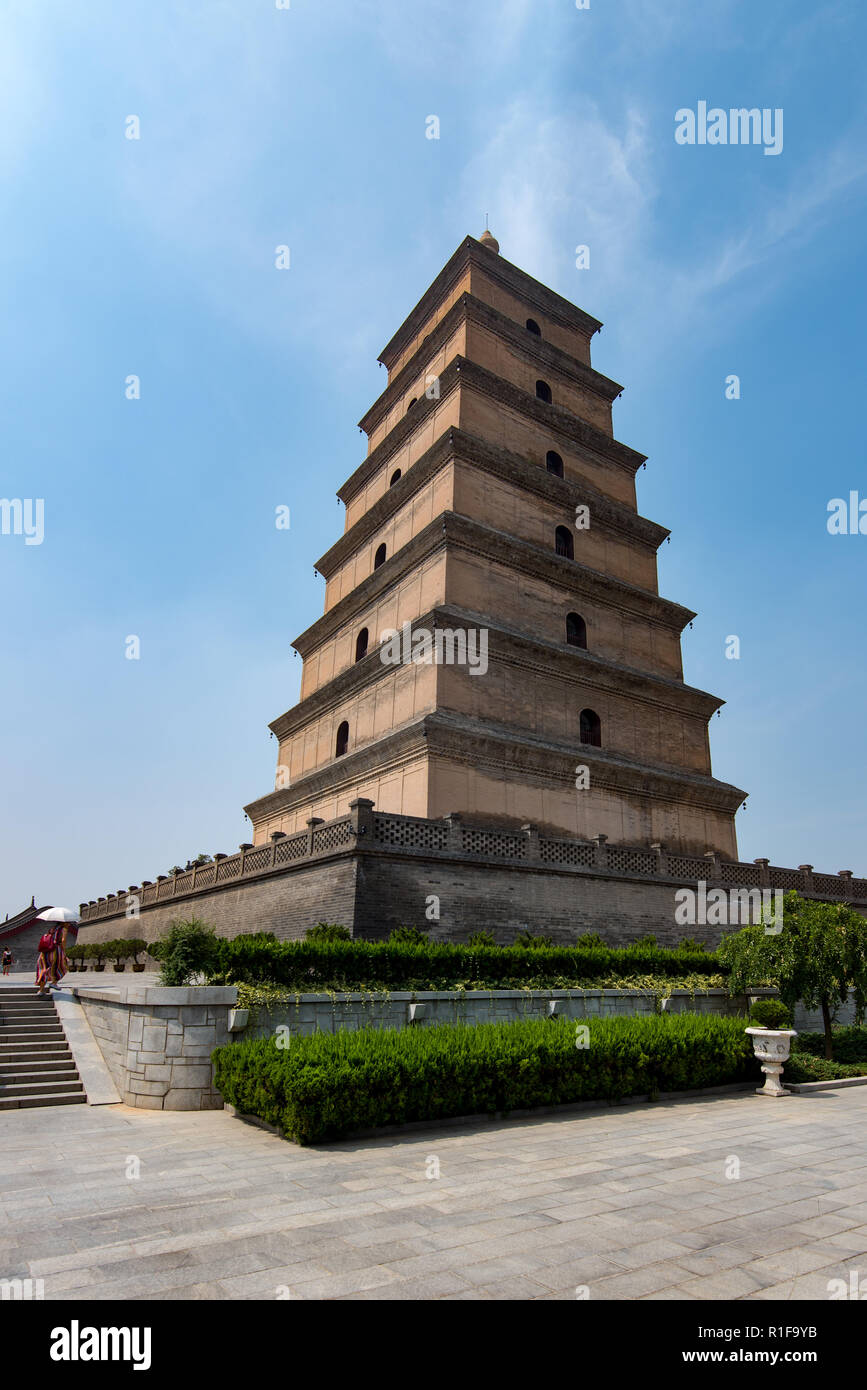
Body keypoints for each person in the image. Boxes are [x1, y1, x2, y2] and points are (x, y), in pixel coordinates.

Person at [35, 923, 78, 994]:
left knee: (44, 969)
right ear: (64, 922)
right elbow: (63, 940)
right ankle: (54, 982)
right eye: (68, 922)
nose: (69, 924)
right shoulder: (63, 929)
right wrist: (63, 952)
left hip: (45, 952)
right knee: (62, 966)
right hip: (56, 951)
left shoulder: (53, 929)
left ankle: (41, 990)